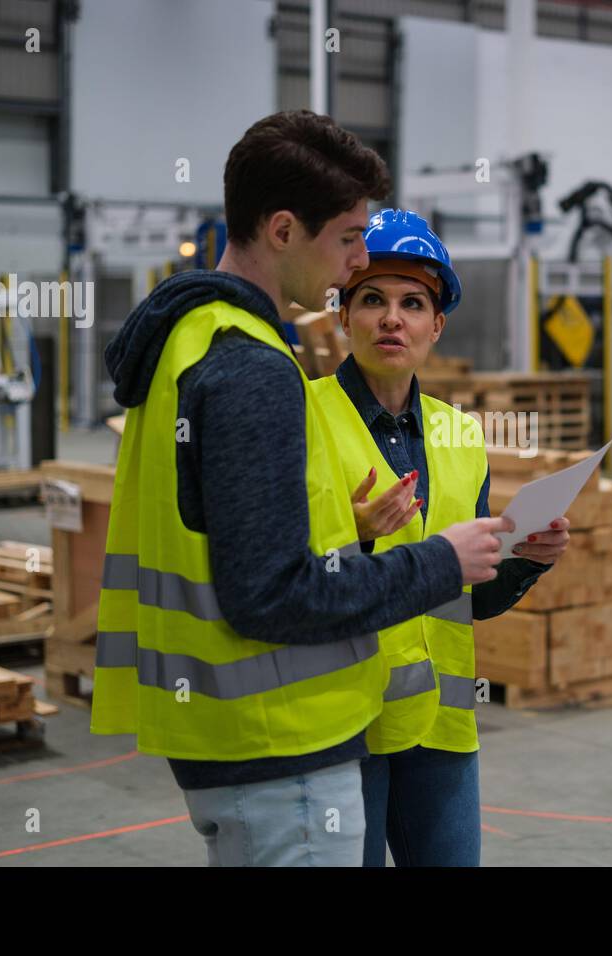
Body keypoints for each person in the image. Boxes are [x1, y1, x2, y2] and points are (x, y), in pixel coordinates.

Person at [89, 113, 512, 867]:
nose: (357, 261)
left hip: (260, 739)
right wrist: (437, 560)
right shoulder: (253, 369)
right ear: (283, 230)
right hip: (279, 738)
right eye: (349, 239)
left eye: (413, 303)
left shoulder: (194, 340)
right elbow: (272, 592)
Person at [311, 209, 571, 866]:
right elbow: (281, 582)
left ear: (436, 325)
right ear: (343, 316)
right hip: (345, 725)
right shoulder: (305, 417)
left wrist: (524, 561)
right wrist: (354, 536)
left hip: (444, 726)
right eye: (372, 299)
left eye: (412, 304)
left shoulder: (460, 434)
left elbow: (469, 599)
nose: (391, 319)